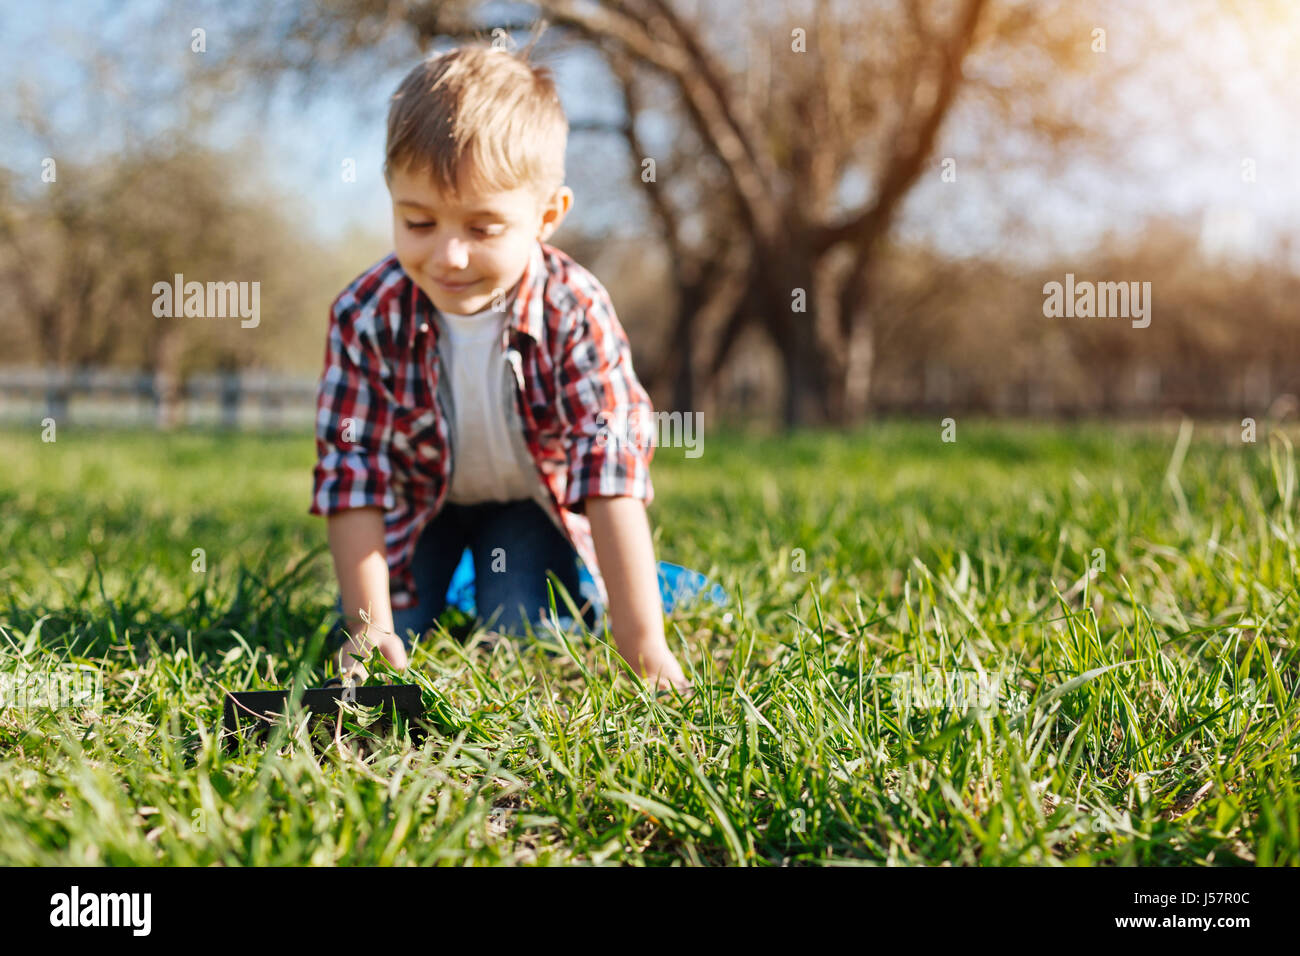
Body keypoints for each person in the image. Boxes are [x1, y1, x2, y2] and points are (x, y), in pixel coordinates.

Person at [309, 42, 690, 694]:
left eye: (483, 228)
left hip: (526, 507)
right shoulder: (366, 315)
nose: (450, 256)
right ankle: (423, 595)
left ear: (547, 217)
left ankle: (531, 589)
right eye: (419, 221)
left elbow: (609, 469)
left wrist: (643, 644)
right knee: (395, 625)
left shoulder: (575, 310)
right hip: (418, 510)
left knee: (518, 632)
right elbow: (353, 473)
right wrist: (367, 625)